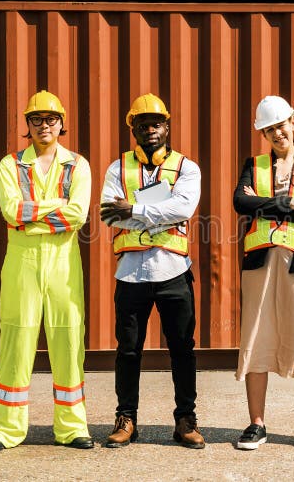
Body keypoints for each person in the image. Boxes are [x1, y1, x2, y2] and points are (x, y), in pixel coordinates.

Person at [0, 90, 93, 452]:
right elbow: (12, 212)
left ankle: (72, 427)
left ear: (61, 123)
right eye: (36, 120)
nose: (44, 126)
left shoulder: (78, 164)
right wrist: (56, 207)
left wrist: (36, 214)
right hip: (22, 265)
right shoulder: (9, 164)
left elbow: (78, 215)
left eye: (51, 119)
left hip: (63, 265)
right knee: (16, 339)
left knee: (69, 339)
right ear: (27, 125)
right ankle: (6, 429)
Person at [99, 93, 204, 449]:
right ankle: (126, 418)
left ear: (167, 126)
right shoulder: (118, 168)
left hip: (174, 270)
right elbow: (109, 212)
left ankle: (185, 419)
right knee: (128, 350)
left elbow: (184, 208)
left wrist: (135, 209)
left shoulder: (187, 167)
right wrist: (158, 207)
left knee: (182, 349)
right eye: (142, 124)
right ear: (134, 129)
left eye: (156, 123)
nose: (150, 130)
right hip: (131, 275)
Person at [232, 96, 294, 452]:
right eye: (269, 129)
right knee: (256, 335)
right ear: (263, 133)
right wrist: (289, 203)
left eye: (281, 125)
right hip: (259, 262)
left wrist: (264, 203)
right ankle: (257, 424)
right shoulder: (253, 165)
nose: (277, 133)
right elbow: (239, 202)